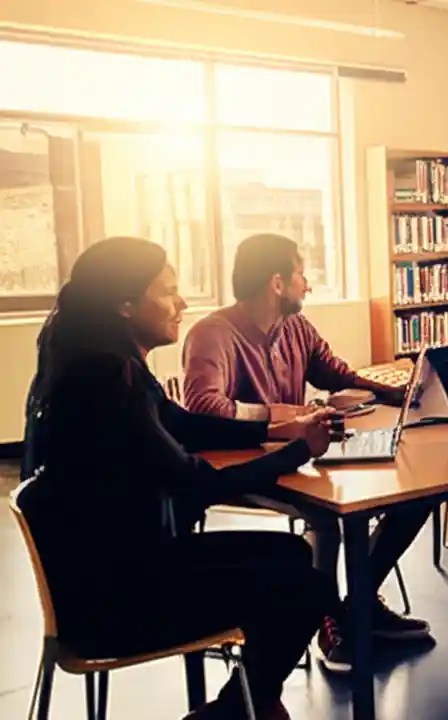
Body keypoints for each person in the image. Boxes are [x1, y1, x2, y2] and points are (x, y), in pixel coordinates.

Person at [18, 236, 338, 720]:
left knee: (295, 553)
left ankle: (247, 704)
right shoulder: (104, 383)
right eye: (167, 291)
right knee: (308, 589)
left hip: (113, 570)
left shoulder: (103, 363)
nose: (182, 302)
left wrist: (275, 430)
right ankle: (236, 711)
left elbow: (183, 423)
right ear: (126, 305)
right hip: (115, 604)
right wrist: (296, 452)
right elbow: (196, 482)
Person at [181, 233, 434, 673]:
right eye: (302, 274)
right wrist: (288, 417)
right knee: (330, 516)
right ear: (277, 282)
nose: (308, 285)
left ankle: (350, 608)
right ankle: (333, 619)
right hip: (248, 468)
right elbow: (204, 407)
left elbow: (336, 374)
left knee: (417, 495)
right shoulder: (212, 333)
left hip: (299, 458)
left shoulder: (295, 328)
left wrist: (405, 390)